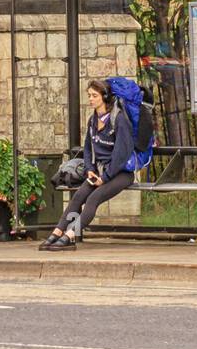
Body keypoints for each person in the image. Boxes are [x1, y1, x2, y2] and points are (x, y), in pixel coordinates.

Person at [40, 78, 134, 250]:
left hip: (120, 174)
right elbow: (88, 148)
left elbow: (121, 155)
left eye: (94, 96)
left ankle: (70, 235)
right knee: (78, 196)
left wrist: (104, 178)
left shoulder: (119, 120)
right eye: (89, 95)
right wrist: (90, 170)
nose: (90, 99)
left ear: (104, 97)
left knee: (93, 198)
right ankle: (58, 231)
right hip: (99, 172)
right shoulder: (92, 120)